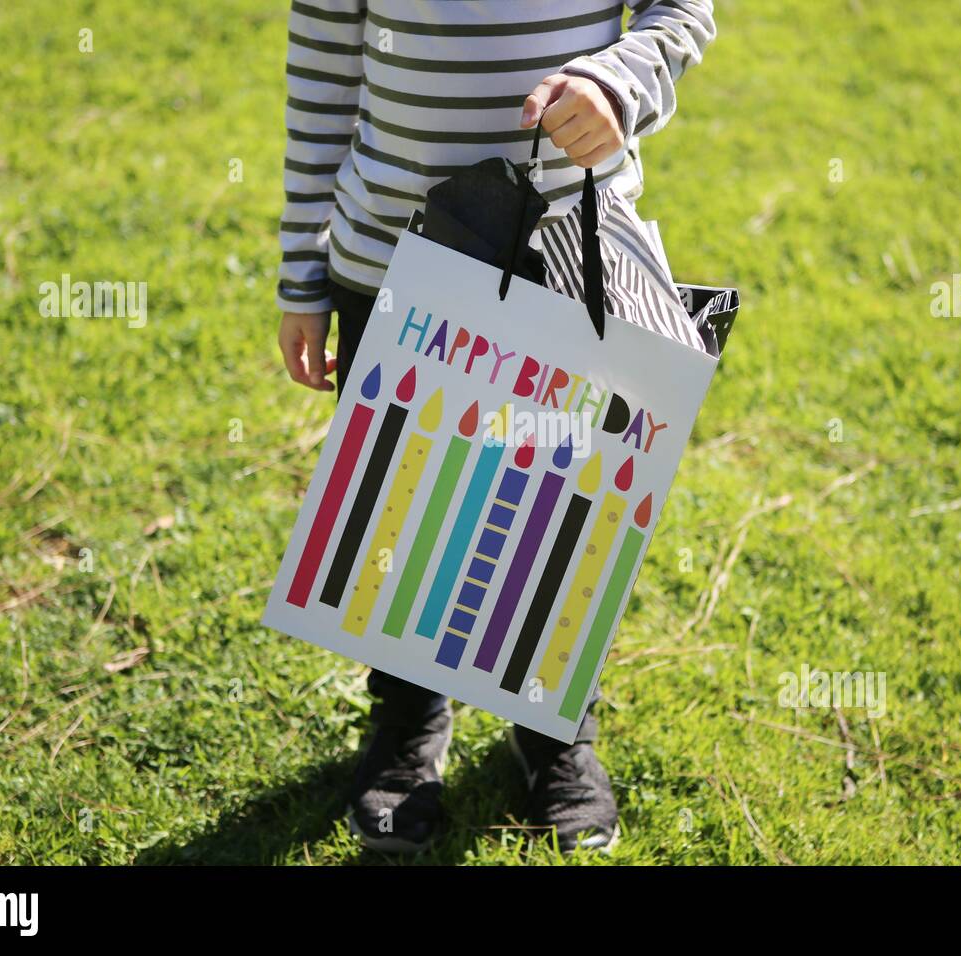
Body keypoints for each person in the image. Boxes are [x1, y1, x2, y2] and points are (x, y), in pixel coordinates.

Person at [275, 0, 715, 854]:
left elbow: (682, 8)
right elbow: (323, 82)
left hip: (571, 252)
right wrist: (303, 272)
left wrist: (616, 81)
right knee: (405, 516)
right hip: (393, 260)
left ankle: (554, 729)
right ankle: (407, 724)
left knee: (561, 516)